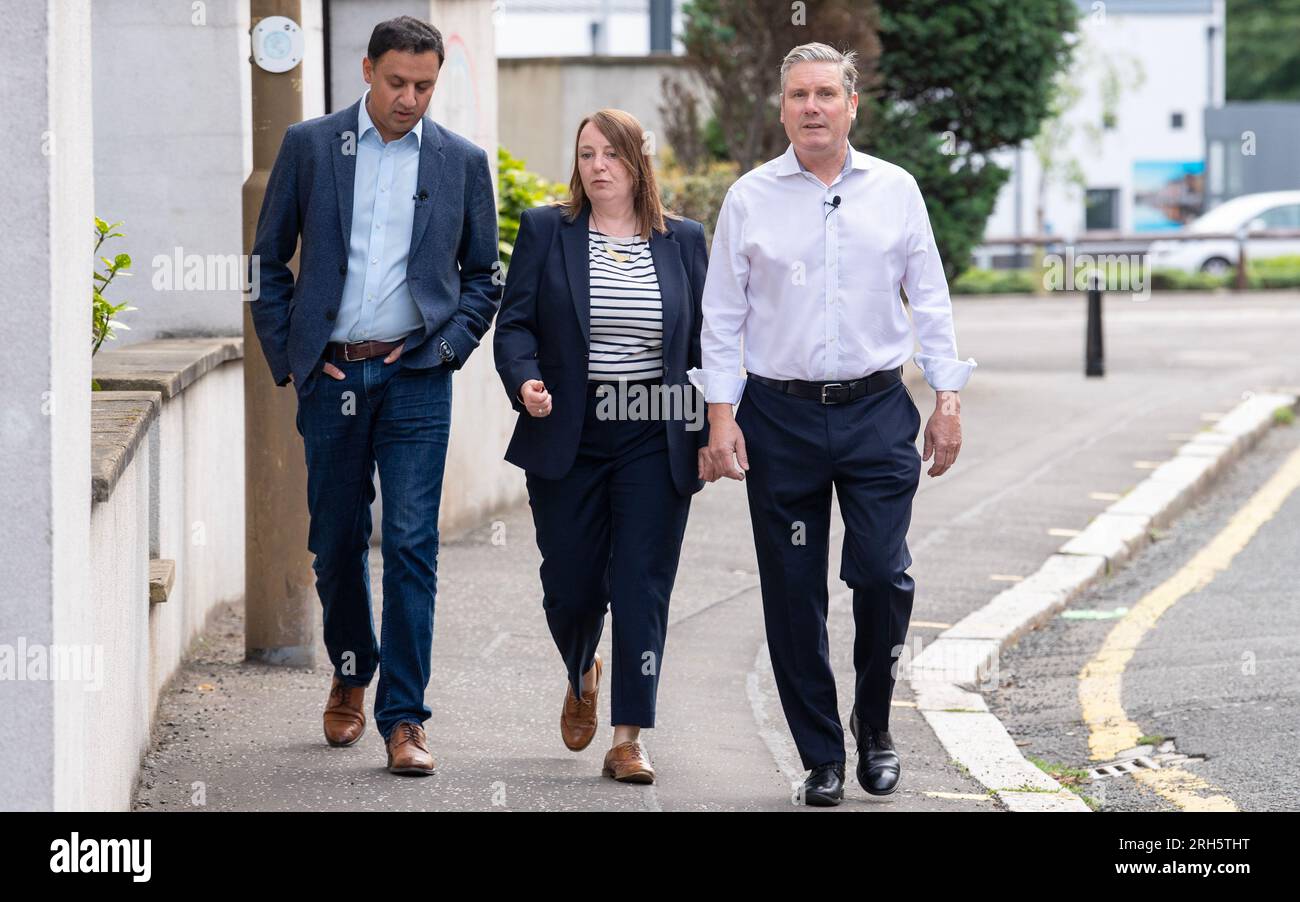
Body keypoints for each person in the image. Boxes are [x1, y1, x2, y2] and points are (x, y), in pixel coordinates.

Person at [691, 43, 976, 806]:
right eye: (797, 96)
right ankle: (820, 754)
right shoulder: (750, 198)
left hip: (878, 411)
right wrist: (721, 417)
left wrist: (947, 399)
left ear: (853, 105)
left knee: (883, 574)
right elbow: (720, 317)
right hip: (777, 416)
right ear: (781, 108)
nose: (811, 107)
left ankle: (874, 726)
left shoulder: (895, 190)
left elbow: (933, 300)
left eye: (825, 93)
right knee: (792, 590)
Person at [248, 16, 500, 776]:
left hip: (416, 375)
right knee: (334, 544)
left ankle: (405, 718)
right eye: (397, 82)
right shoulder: (312, 146)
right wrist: (293, 358)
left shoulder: (460, 161)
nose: (410, 98)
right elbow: (267, 264)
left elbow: (483, 276)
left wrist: (447, 349)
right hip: (332, 377)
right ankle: (352, 667)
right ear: (367, 70)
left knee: (413, 543)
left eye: (425, 86)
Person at [493, 109, 711, 784]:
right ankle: (581, 662)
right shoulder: (546, 230)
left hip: (655, 428)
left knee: (641, 583)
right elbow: (515, 324)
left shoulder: (683, 241)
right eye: (587, 154)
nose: (597, 166)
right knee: (571, 582)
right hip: (570, 430)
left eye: (611, 154)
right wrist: (526, 380)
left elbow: (706, 343)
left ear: (638, 162)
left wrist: (712, 431)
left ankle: (628, 737)